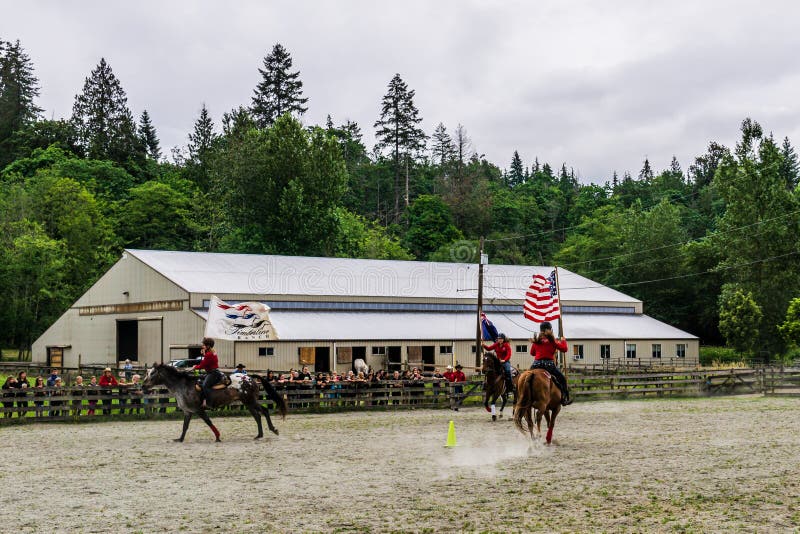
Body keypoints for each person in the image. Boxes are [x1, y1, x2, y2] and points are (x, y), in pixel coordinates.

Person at [529, 321, 572, 405]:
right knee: (562, 379)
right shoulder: (552, 341)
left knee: (526, 378)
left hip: (536, 365)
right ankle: (564, 399)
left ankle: (519, 396)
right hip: (548, 365)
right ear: (550, 330)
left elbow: (532, 353)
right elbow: (564, 349)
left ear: (541, 330)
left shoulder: (537, 341)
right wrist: (563, 341)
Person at [193, 337, 221, 409]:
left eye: (204, 345)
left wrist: (195, 367)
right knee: (200, 381)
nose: (203, 346)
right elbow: (207, 362)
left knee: (205, 386)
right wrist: (204, 354)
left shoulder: (209, 354)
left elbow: (203, 364)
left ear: (208, 346)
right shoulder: (212, 352)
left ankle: (209, 403)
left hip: (213, 373)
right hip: (212, 372)